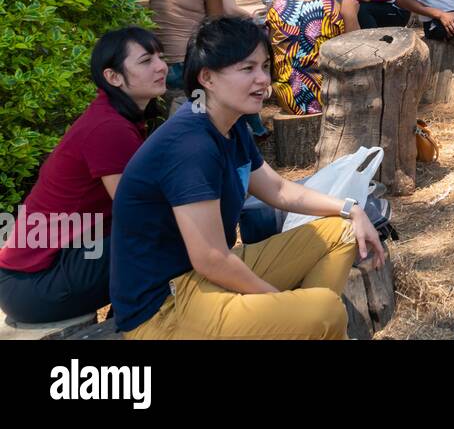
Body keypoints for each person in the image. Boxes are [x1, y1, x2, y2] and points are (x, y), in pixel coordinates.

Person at [110, 17, 383, 339]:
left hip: (206, 278)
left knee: (340, 231)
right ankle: (300, 324)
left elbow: (278, 189)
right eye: (247, 69)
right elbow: (210, 259)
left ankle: (298, 327)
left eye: (265, 66)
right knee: (324, 310)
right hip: (164, 308)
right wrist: (281, 304)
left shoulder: (230, 124)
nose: (263, 80)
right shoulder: (190, 146)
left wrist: (351, 209)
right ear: (207, 77)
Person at [0, 28, 167, 324]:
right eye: (145, 61)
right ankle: (142, 326)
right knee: (170, 236)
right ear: (113, 77)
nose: (161, 66)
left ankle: (137, 320)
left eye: (160, 57)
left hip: (38, 276)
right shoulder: (108, 128)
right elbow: (139, 210)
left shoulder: (116, 117)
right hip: (34, 285)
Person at [267, 0, 360, 115]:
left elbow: (273, 48)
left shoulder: (278, 1)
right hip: (330, 97)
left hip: (289, 98)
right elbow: (356, 54)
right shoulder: (341, 1)